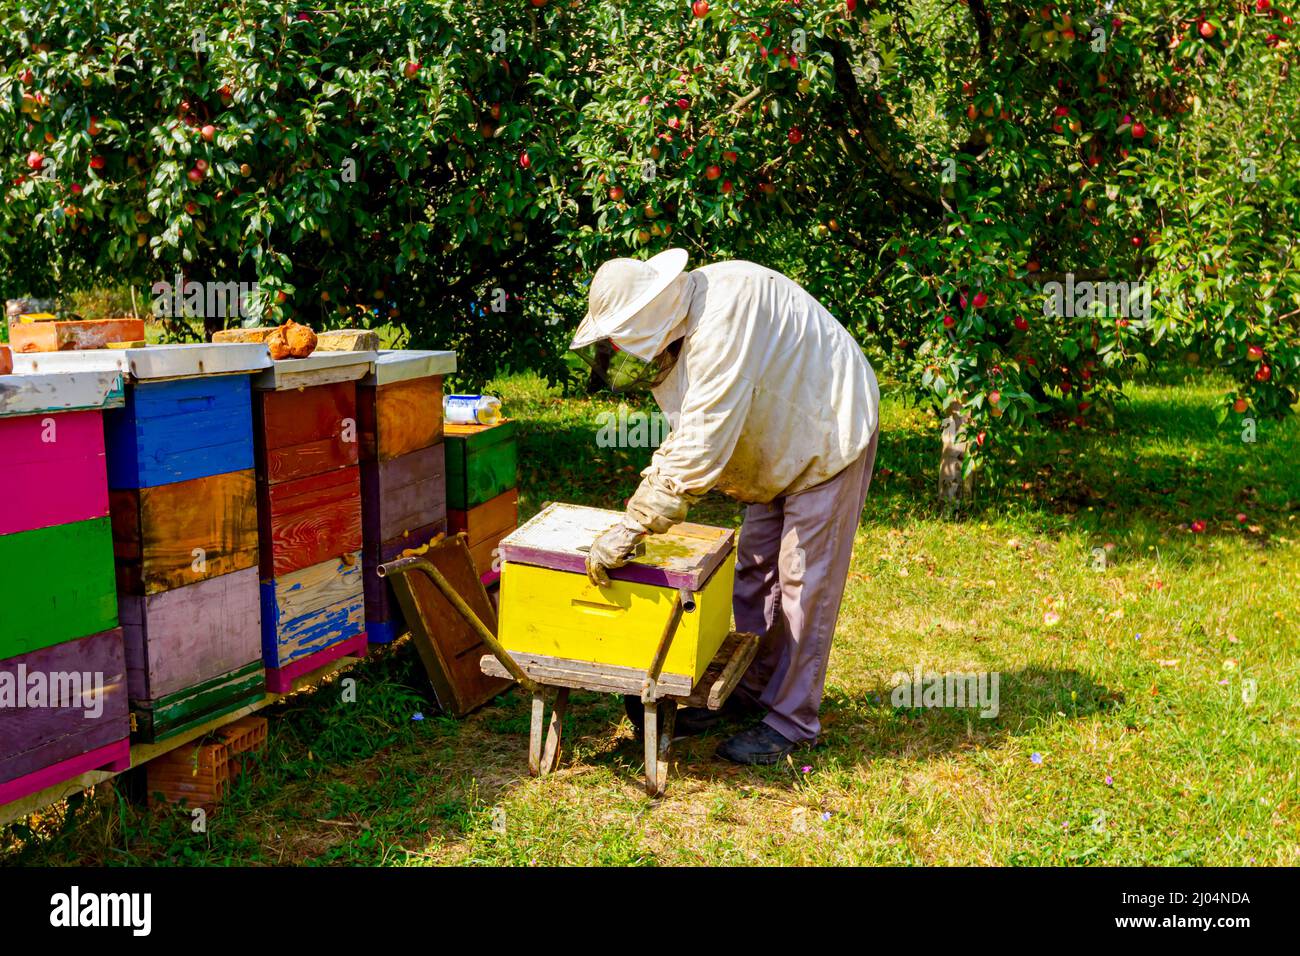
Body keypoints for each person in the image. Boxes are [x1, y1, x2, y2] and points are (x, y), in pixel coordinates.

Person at [570, 249, 881, 765]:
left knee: (804, 584)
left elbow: (700, 446)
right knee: (756, 572)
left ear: (649, 315)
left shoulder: (723, 317)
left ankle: (792, 721)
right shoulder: (686, 324)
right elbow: (691, 431)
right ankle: (752, 689)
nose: (618, 348)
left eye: (621, 335)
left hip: (829, 430)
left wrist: (634, 526)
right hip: (775, 441)